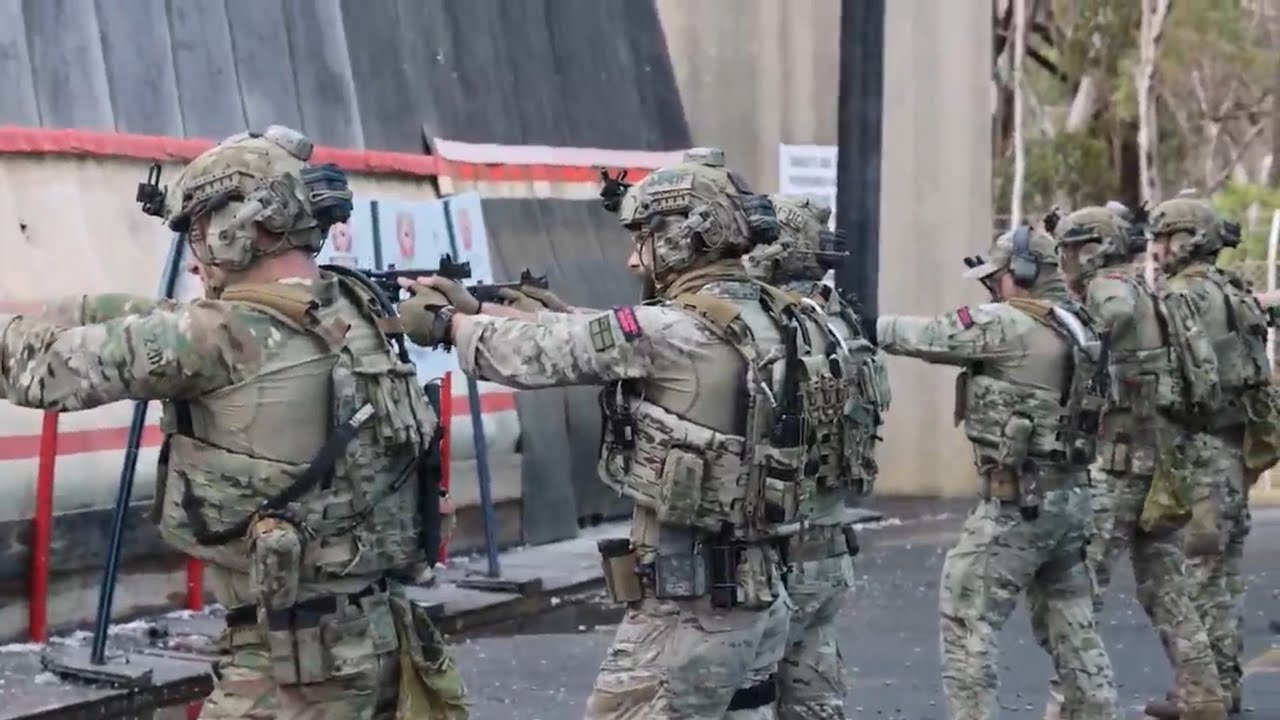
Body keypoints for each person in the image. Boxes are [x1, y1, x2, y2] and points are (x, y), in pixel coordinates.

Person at [0, 126, 468, 719]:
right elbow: (181, 321)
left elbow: (39, 370)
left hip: (292, 673)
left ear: (244, 225)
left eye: (198, 229)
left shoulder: (219, 338)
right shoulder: (355, 306)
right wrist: (79, 309)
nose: (196, 257)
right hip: (384, 643)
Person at [396, 156, 843, 719]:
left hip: (688, 613)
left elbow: (558, 354)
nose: (635, 257)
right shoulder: (783, 316)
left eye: (645, 239)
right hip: (760, 595)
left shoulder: (673, 329)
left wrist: (447, 324)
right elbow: (619, 335)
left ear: (683, 236)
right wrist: (492, 309)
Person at [859, 225, 1119, 720]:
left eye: (998, 276)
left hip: (1019, 504)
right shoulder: (1078, 323)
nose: (993, 286)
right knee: (1074, 627)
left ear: (1021, 273)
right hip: (1072, 499)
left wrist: (865, 324)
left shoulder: (1010, 324)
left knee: (966, 613)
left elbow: (931, 336)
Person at [1052, 205, 1227, 720]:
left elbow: (1110, 320)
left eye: (1068, 249)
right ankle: (1203, 692)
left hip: (1120, 467)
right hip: (1156, 461)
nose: (1062, 262)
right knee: (1164, 582)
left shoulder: (1111, 288)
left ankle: (1071, 707)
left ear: (1092, 250)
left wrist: (1074, 332)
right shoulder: (1149, 289)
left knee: (1078, 588)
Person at [742, 194, 890, 719]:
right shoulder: (840, 323)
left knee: (747, 696)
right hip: (827, 549)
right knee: (814, 697)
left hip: (781, 556)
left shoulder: (778, 328)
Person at [1148, 197, 1272, 714]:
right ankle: (1225, 686)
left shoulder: (1180, 297)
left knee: (1192, 580)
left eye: (1164, 238)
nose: (1156, 249)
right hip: (1233, 453)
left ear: (1187, 240)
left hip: (1196, 452)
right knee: (1221, 578)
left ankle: (1198, 694)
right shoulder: (1233, 294)